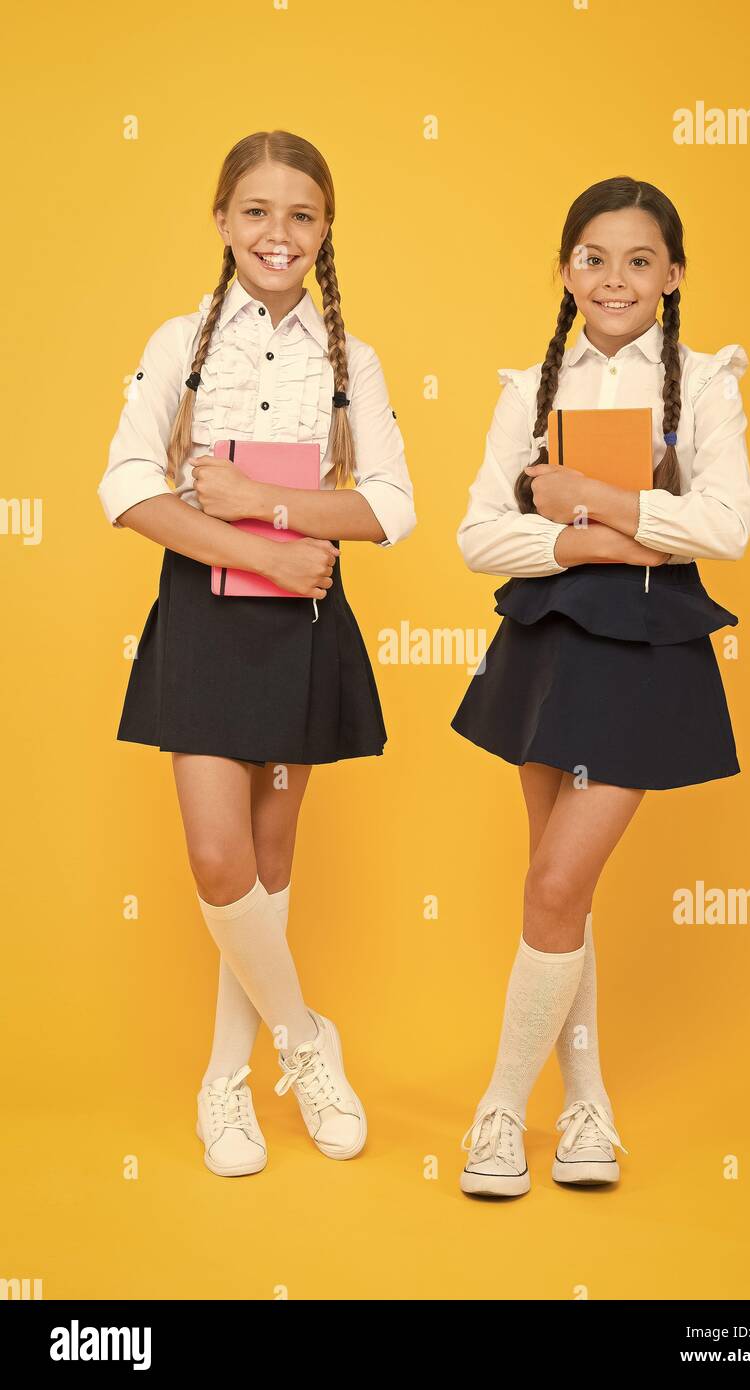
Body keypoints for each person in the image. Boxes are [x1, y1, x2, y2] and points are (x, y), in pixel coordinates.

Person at [97, 130, 416, 1177]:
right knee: (217, 861)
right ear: (222, 220)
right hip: (203, 618)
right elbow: (128, 488)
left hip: (303, 631)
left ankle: (223, 1088)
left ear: (325, 231)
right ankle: (305, 1042)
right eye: (256, 212)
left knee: (268, 878)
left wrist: (270, 503)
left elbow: (386, 508)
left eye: (302, 215)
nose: (278, 234)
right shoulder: (179, 339)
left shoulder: (349, 360)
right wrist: (254, 547)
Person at [450, 176, 750, 1198]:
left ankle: (497, 1109)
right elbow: (478, 533)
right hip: (545, 643)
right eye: (592, 257)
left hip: (645, 653)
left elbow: (726, 526)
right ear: (565, 270)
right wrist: (587, 542)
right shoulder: (526, 388)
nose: (613, 277)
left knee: (553, 885)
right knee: (560, 888)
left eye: (637, 259)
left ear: (671, 274)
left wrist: (595, 496)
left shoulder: (706, 382)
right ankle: (586, 1109)